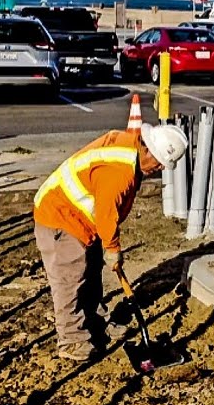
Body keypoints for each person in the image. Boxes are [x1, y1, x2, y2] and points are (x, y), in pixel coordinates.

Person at [32, 123, 188, 361]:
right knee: (69, 281)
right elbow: (106, 212)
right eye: (158, 163)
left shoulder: (130, 151)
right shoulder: (120, 171)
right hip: (61, 217)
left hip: (83, 221)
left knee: (92, 272)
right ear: (147, 149)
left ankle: (96, 322)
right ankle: (71, 340)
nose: (158, 169)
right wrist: (113, 249)